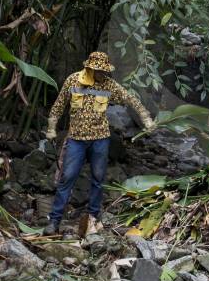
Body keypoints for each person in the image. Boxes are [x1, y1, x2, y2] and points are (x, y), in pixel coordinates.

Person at [44, 51, 154, 236]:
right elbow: (58, 105)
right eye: (98, 71)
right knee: (67, 177)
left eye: (104, 71)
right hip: (76, 139)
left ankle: (93, 218)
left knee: (98, 178)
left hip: (100, 139)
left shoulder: (109, 85)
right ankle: (54, 220)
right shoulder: (73, 81)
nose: (102, 74)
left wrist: (146, 118)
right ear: (89, 68)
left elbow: (130, 99)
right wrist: (51, 127)